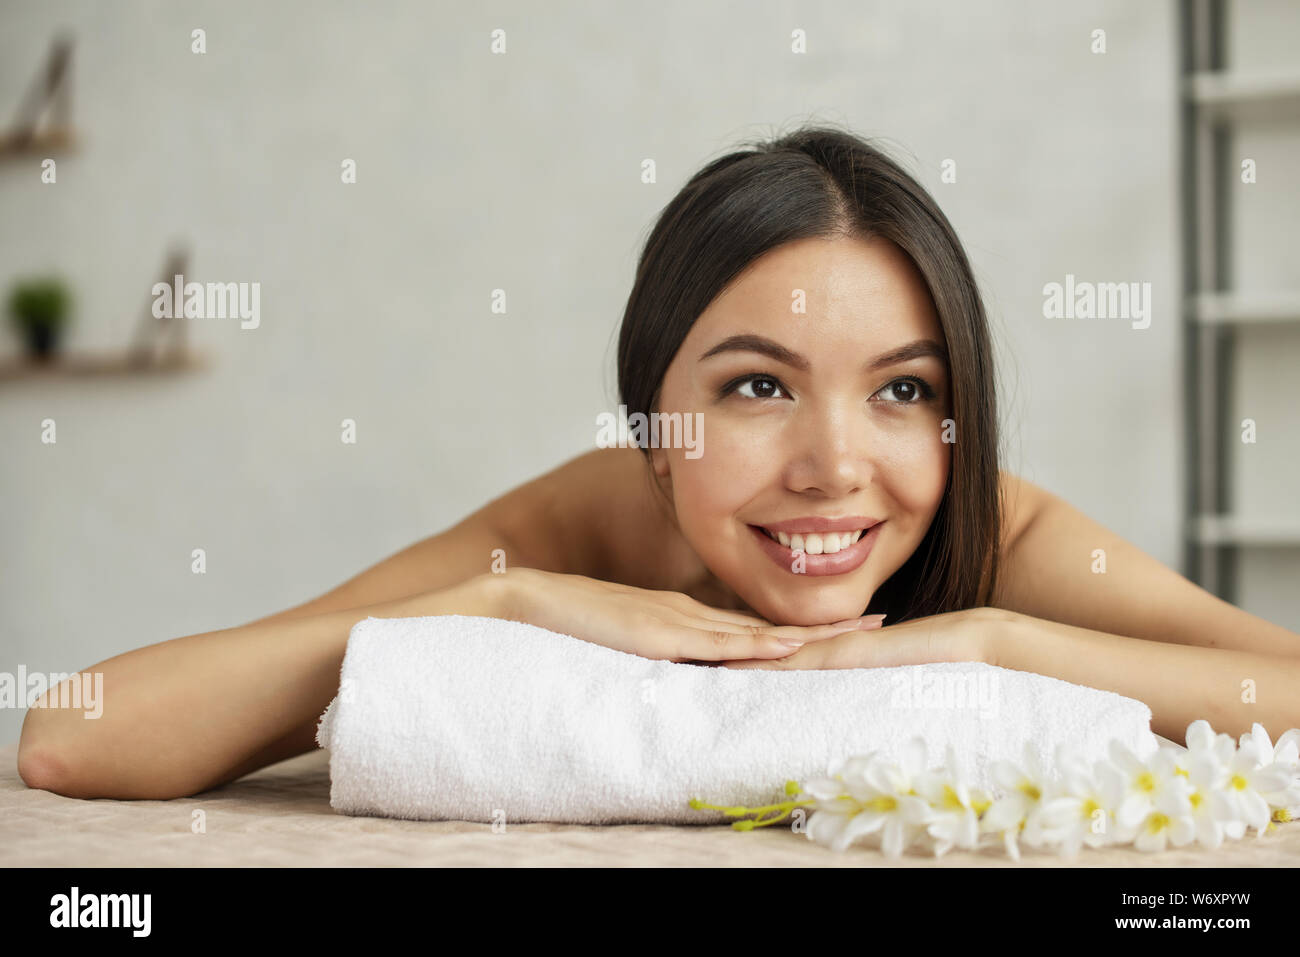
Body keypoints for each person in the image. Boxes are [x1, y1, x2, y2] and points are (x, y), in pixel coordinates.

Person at [17, 125, 1300, 801]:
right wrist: (493, 604)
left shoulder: (992, 532)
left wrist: (991, 639)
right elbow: (74, 743)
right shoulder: (567, 530)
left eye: (904, 391)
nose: (834, 465)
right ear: (648, 427)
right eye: (757, 387)